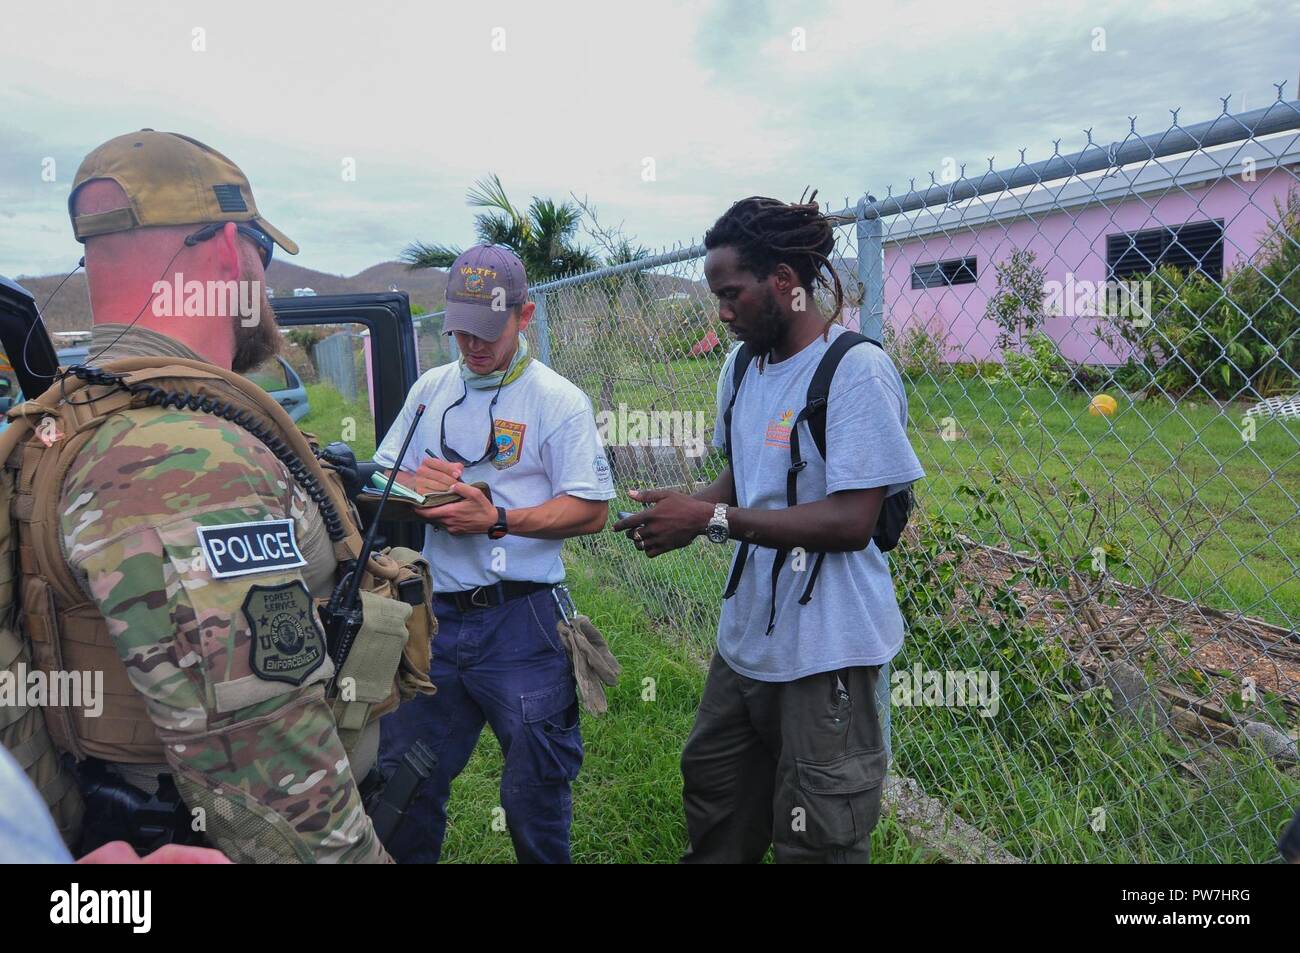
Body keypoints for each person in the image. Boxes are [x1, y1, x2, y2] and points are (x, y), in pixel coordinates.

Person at [2, 129, 408, 863]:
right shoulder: (179, 457)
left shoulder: (79, 417)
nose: (267, 279)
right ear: (228, 249)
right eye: (263, 252)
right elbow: (275, 793)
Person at [613, 195, 924, 863]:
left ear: (784, 282)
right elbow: (746, 474)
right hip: (747, 639)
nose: (722, 311)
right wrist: (688, 513)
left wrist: (711, 519)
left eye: (732, 293)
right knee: (718, 799)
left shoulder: (855, 371)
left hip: (826, 651)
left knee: (818, 835)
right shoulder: (743, 365)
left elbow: (852, 521)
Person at [374, 245, 614, 863]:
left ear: (525, 315)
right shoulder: (431, 390)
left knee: (534, 789)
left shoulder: (557, 401)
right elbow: (381, 480)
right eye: (460, 331)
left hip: (525, 621)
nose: (471, 346)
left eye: (487, 332)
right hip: (437, 619)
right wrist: (415, 492)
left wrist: (498, 519)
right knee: (403, 776)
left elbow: (592, 509)